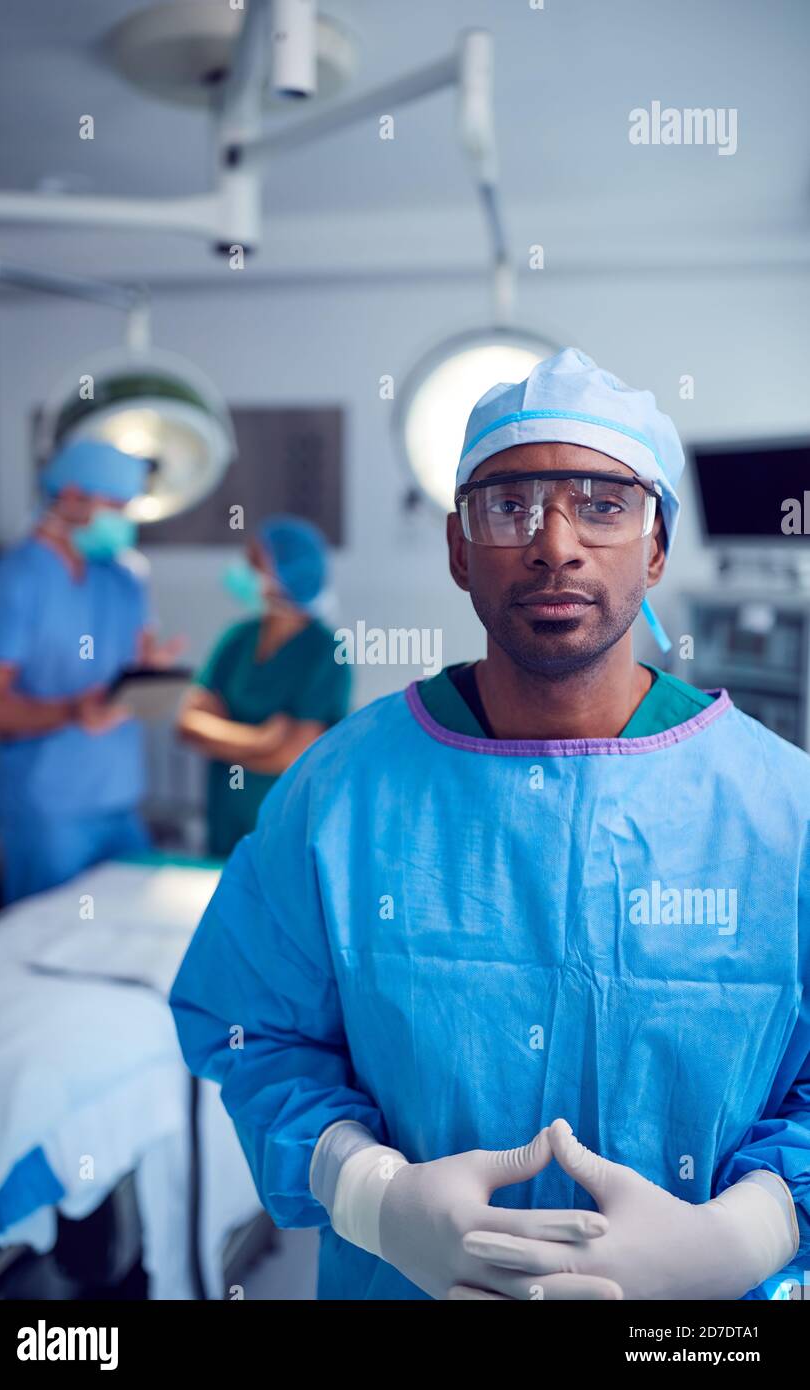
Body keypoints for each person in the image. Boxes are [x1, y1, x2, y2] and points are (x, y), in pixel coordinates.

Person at [169, 349, 809, 1301]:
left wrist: (748, 1233)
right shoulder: (338, 793)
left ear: (658, 546)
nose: (555, 542)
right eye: (510, 505)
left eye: (602, 503)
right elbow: (250, 1033)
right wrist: (370, 1194)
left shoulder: (781, 809)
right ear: (459, 548)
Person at [0, 439, 184, 902]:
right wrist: (71, 713)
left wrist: (148, 674)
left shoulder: (122, 578)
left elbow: (132, 658)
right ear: (69, 496)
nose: (123, 520)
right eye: (115, 505)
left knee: (127, 930)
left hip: (121, 800)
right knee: (49, 947)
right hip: (49, 807)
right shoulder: (14, 583)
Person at [176, 516, 351, 857]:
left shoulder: (324, 652)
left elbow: (291, 755)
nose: (243, 569)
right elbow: (186, 725)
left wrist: (219, 735)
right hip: (224, 819)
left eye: (254, 561)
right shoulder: (238, 639)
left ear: (286, 575)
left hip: (285, 825)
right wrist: (260, 739)